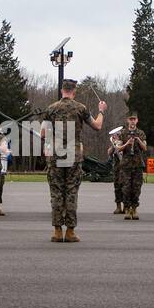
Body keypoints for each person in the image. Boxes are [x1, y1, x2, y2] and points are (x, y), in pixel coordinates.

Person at [40, 79, 106, 242]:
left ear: (62, 90)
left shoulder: (51, 109)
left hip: (56, 155)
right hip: (73, 155)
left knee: (56, 193)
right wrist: (101, 111)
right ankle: (70, 231)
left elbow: (42, 133)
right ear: (74, 91)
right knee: (71, 192)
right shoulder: (80, 108)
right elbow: (97, 126)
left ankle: (57, 231)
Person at [115, 113, 148, 220]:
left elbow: (145, 148)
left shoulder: (141, 133)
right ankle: (128, 209)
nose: (132, 121)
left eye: (134, 119)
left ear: (137, 120)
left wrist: (138, 140)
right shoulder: (123, 133)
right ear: (127, 120)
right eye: (131, 119)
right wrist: (127, 143)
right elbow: (118, 148)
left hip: (137, 164)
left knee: (136, 188)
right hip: (126, 165)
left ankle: (134, 208)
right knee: (126, 187)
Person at [110, 141, 125, 214]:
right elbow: (109, 153)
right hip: (117, 170)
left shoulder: (125, 142)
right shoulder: (115, 143)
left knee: (126, 188)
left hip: (125, 169)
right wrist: (113, 146)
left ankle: (126, 207)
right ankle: (118, 207)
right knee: (117, 188)